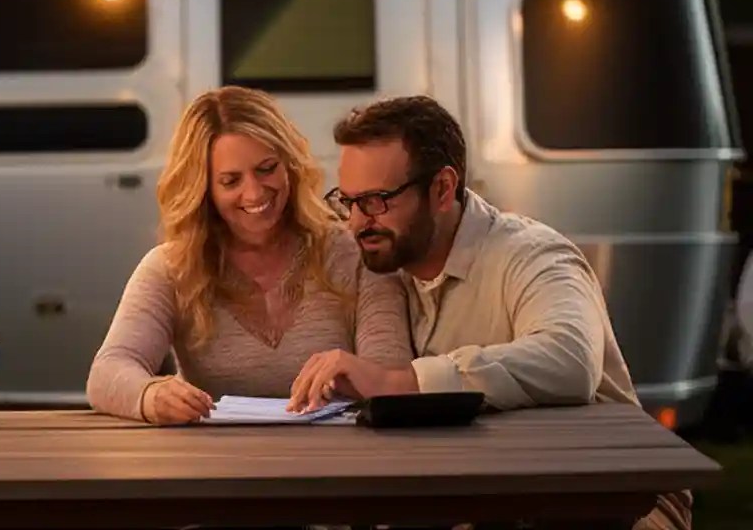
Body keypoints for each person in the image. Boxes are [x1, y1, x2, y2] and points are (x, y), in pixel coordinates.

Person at [284, 95, 689, 530]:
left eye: (378, 200)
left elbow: (569, 360)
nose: (358, 222)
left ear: (442, 189)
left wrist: (400, 382)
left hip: (606, 499)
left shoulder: (531, 254)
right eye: (349, 201)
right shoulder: (384, 266)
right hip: (471, 497)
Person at [86, 86, 412, 426]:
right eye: (231, 181)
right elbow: (108, 371)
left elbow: (392, 374)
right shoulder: (171, 268)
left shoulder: (354, 253)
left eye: (267, 169)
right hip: (219, 467)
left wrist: (355, 372)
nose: (255, 192)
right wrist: (150, 396)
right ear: (204, 189)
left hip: (341, 461)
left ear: (290, 164)